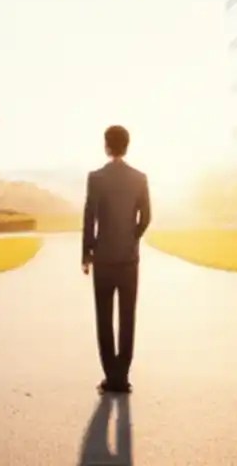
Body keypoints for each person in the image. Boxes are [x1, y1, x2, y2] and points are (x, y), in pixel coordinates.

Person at [82, 125, 151, 394]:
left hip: (104, 258)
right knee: (127, 317)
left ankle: (110, 376)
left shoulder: (96, 177)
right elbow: (146, 218)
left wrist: (87, 253)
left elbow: (90, 217)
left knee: (104, 317)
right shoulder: (140, 178)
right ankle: (123, 377)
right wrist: (131, 238)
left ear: (107, 146)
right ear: (127, 145)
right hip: (129, 259)